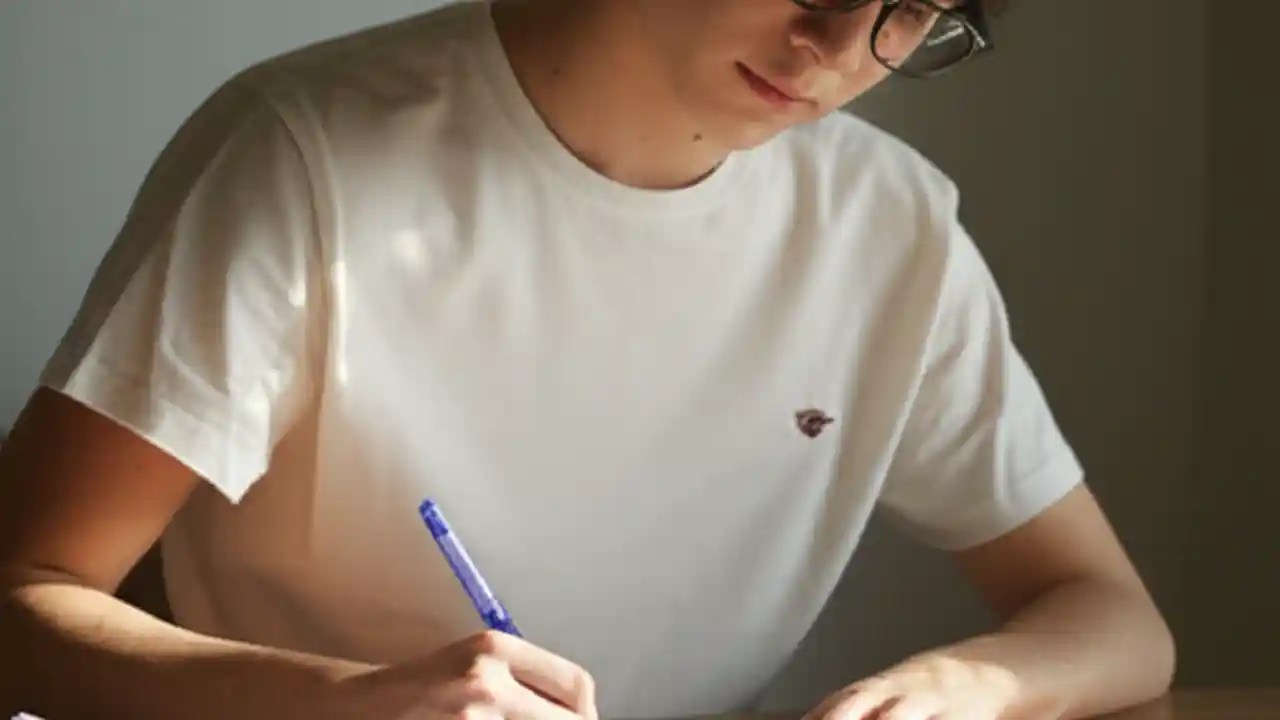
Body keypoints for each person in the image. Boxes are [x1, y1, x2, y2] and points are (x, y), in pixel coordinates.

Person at [0, 1, 1176, 718]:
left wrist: (974, 689)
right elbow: (24, 600)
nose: (834, 48)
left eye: (909, 7)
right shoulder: (304, 155)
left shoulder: (889, 226)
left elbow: (1112, 621)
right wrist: (351, 705)